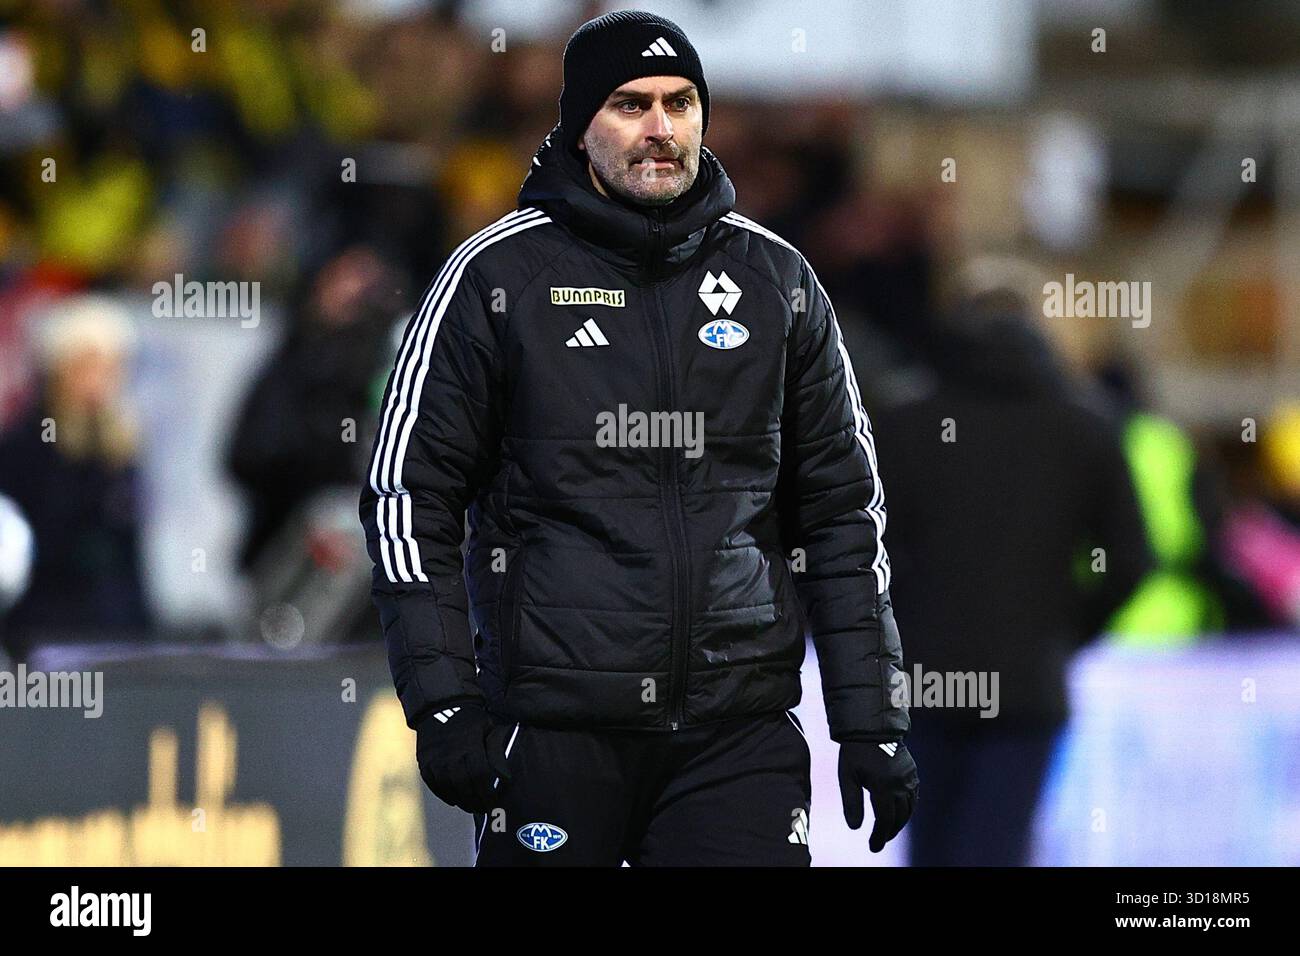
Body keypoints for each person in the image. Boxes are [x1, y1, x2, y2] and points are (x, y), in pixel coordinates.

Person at [359, 10, 917, 867]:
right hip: (555, 733)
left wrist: (870, 718)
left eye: (681, 102)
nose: (661, 128)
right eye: (630, 104)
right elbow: (408, 497)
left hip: (738, 738)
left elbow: (843, 515)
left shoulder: (777, 282)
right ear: (580, 127)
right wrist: (443, 704)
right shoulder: (495, 279)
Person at [867, 293, 1154, 866]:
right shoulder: (1085, 425)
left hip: (924, 683)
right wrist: (1062, 633)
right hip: (1027, 688)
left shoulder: (901, 422)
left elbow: (860, 551)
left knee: (933, 852)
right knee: (995, 851)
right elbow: (1130, 560)